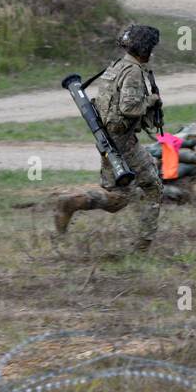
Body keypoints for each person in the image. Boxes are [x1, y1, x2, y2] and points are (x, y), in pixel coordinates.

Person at [53, 25, 163, 252]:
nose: (152, 52)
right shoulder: (132, 72)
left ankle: (74, 201)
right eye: (151, 48)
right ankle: (143, 247)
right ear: (144, 49)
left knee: (120, 197)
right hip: (122, 142)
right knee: (152, 186)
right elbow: (129, 107)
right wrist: (151, 102)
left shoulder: (116, 66)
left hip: (109, 138)